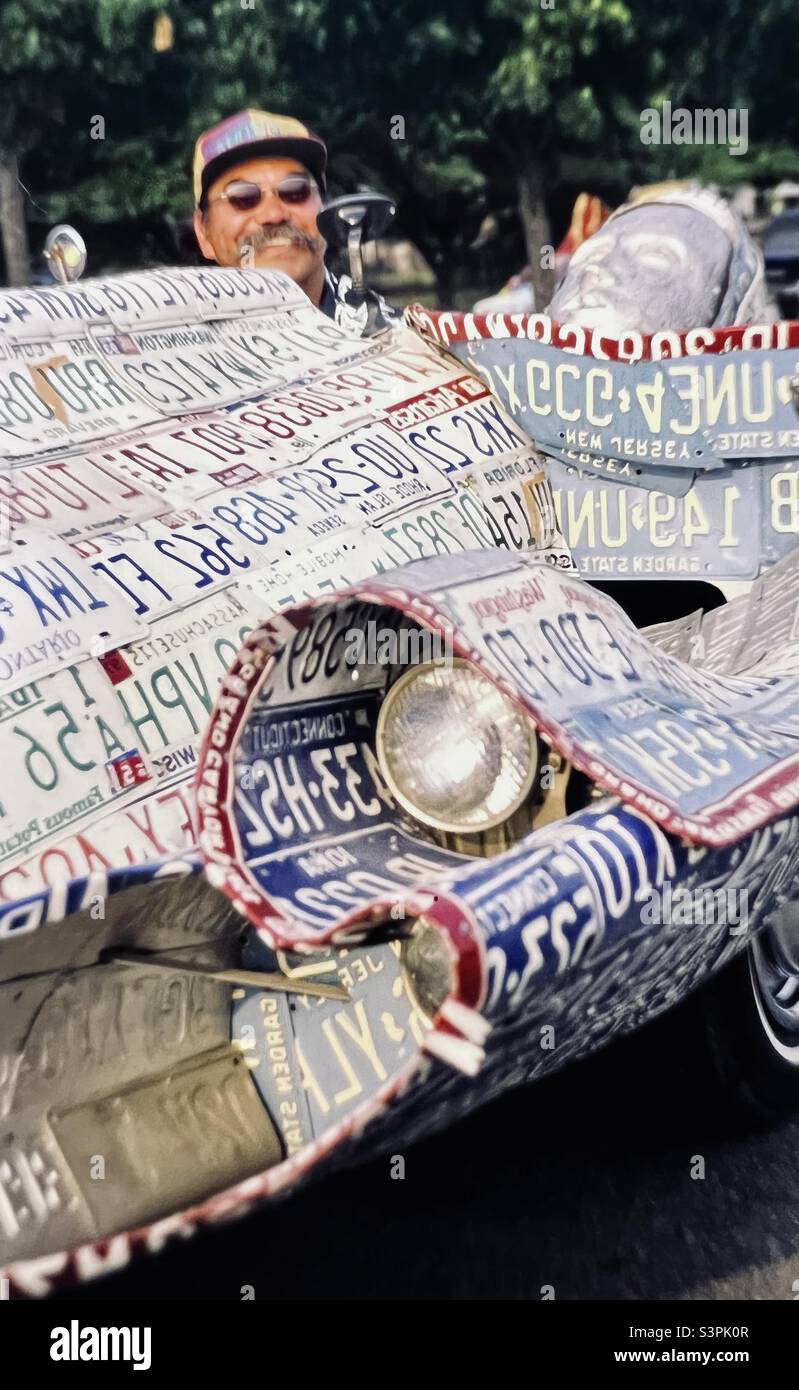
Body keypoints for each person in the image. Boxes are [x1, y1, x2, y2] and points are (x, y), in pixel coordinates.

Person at [192, 107, 398, 333]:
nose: (274, 214)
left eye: (296, 190)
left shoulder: (405, 341)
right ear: (203, 233)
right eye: (243, 197)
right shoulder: (166, 356)